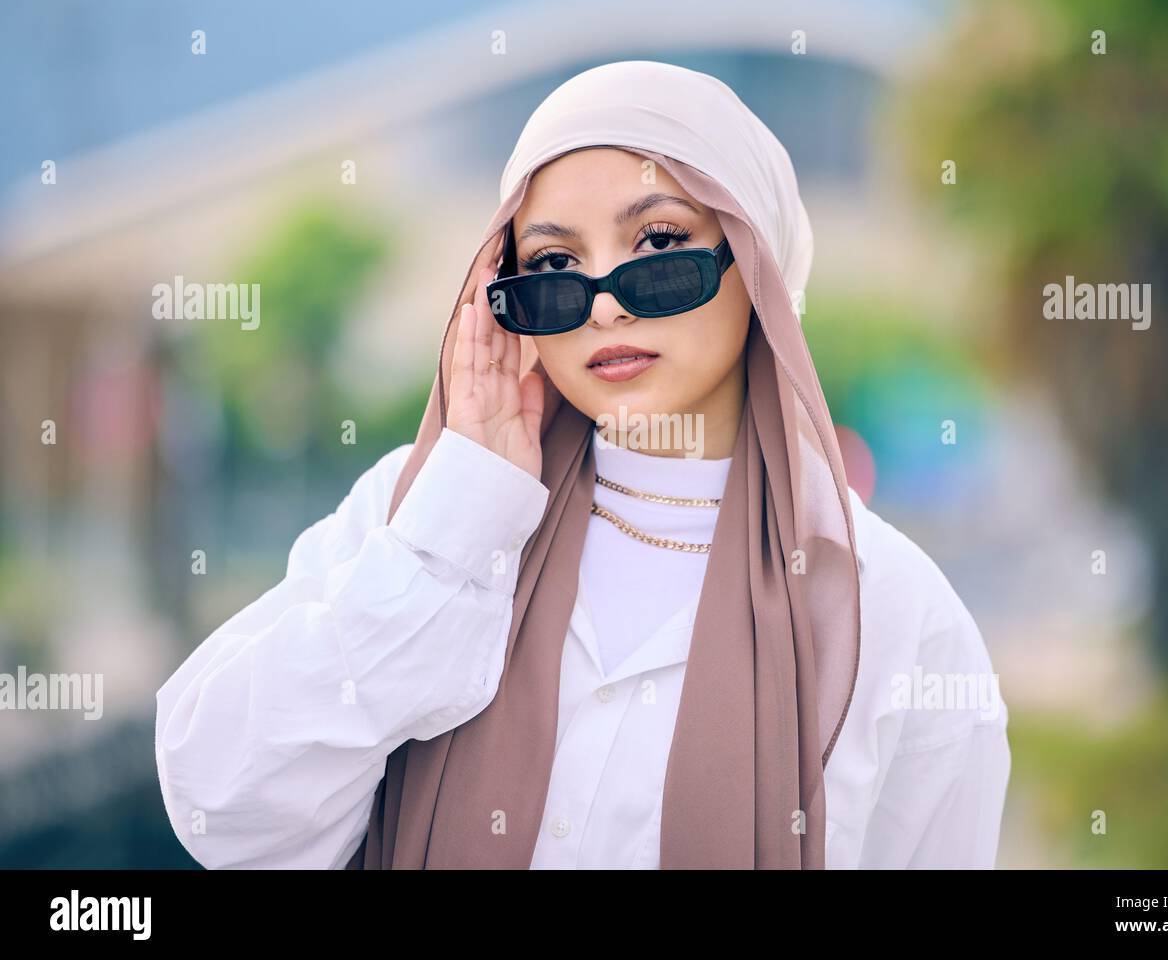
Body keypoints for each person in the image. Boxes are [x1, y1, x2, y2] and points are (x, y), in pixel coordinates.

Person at [154, 60, 1010, 869]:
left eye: (658, 240)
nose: (603, 301)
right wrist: (455, 533)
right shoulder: (414, 511)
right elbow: (221, 813)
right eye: (556, 264)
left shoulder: (890, 612)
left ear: (759, 268)